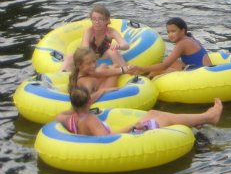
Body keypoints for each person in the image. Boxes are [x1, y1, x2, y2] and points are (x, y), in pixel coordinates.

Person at [55, 86, 222, 136]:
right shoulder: (90, 120)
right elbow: (106, 139)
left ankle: (200, 120)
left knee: (153, 112)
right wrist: (132, 127)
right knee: (165, 118)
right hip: (127, 138)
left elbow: (58, 115)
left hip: (123, 134)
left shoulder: (71, 118)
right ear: (90, 101)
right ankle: (208, 117)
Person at [127, 17, 211, 77]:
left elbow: (164, 66)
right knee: (170, 62)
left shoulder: (182, 44)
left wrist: (141, 68)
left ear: (183, 31)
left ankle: (147, 82)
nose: (170, 35)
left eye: (173, 31)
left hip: (200, 74)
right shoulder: (190, 39)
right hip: (201, 68)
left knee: (156, 70)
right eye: (168, 32)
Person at [60, 4, 129, 71]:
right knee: (70, 57)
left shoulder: (111, 32)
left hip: (104, 56)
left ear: (107, 20)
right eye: (94, 19)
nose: (97, 22)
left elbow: (126, 45)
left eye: (100, 19)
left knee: (113, 51)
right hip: (90, 56)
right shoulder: (89, 32)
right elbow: (85, 49)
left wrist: (119, 46)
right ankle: (62, 75)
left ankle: (125, 72)